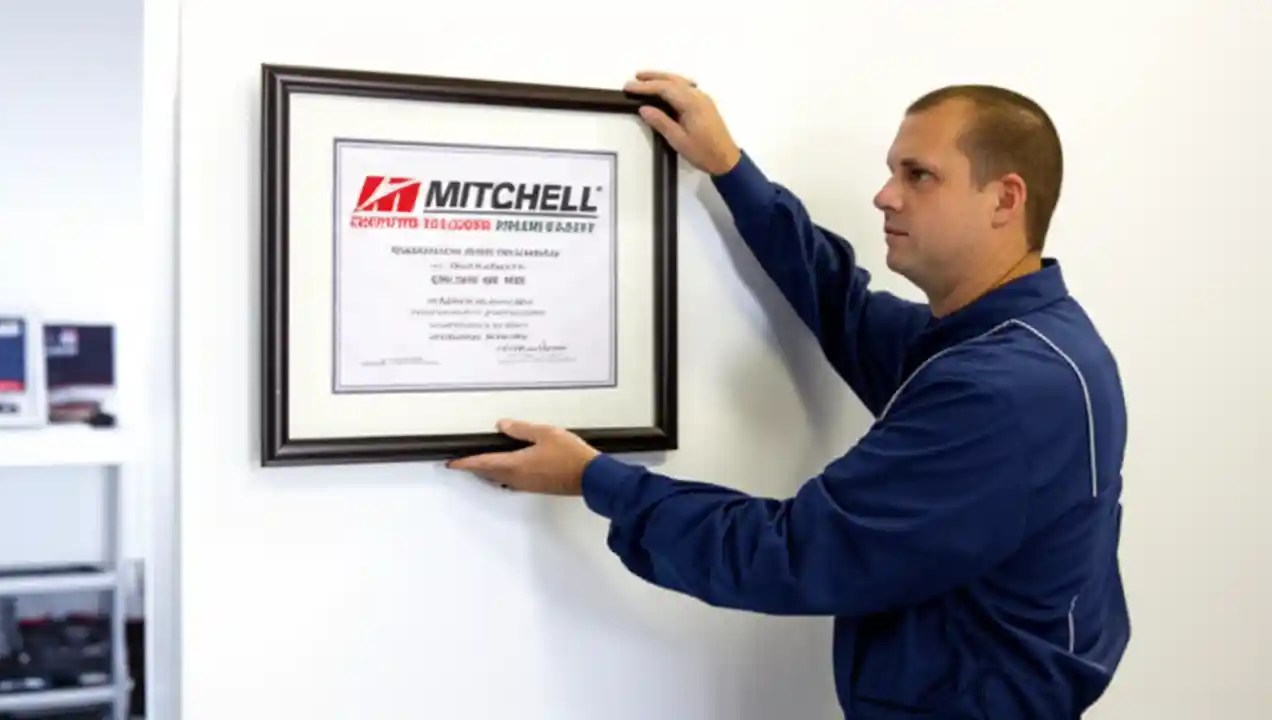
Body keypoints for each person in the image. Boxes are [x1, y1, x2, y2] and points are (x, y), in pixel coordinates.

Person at [448, 70, 1130, 719]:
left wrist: (594, 479)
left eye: (918, 175)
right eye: (893, 171)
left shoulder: (1004, 392)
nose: (885, 195)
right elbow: (843, 304)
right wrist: (729, 168)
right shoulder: (1010, 343)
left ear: (1005, 199)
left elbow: (791, 554)